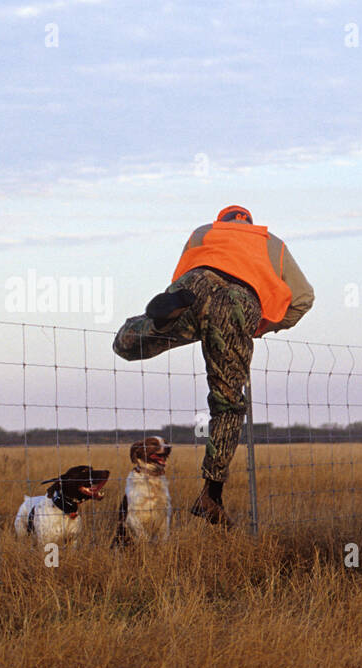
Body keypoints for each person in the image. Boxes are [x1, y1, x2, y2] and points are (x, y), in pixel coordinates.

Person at [112, 206, 313, 526]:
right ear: (250, 222)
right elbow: (304, 298)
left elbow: (180, 276)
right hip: (238, 300)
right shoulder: (271, 242)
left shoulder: (204, 231)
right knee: (228, 403)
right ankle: (211, 495)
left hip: (194, 287)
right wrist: (260, 325)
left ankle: (147, 327)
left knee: (130, 343)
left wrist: (188, 309)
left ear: (223, 220)